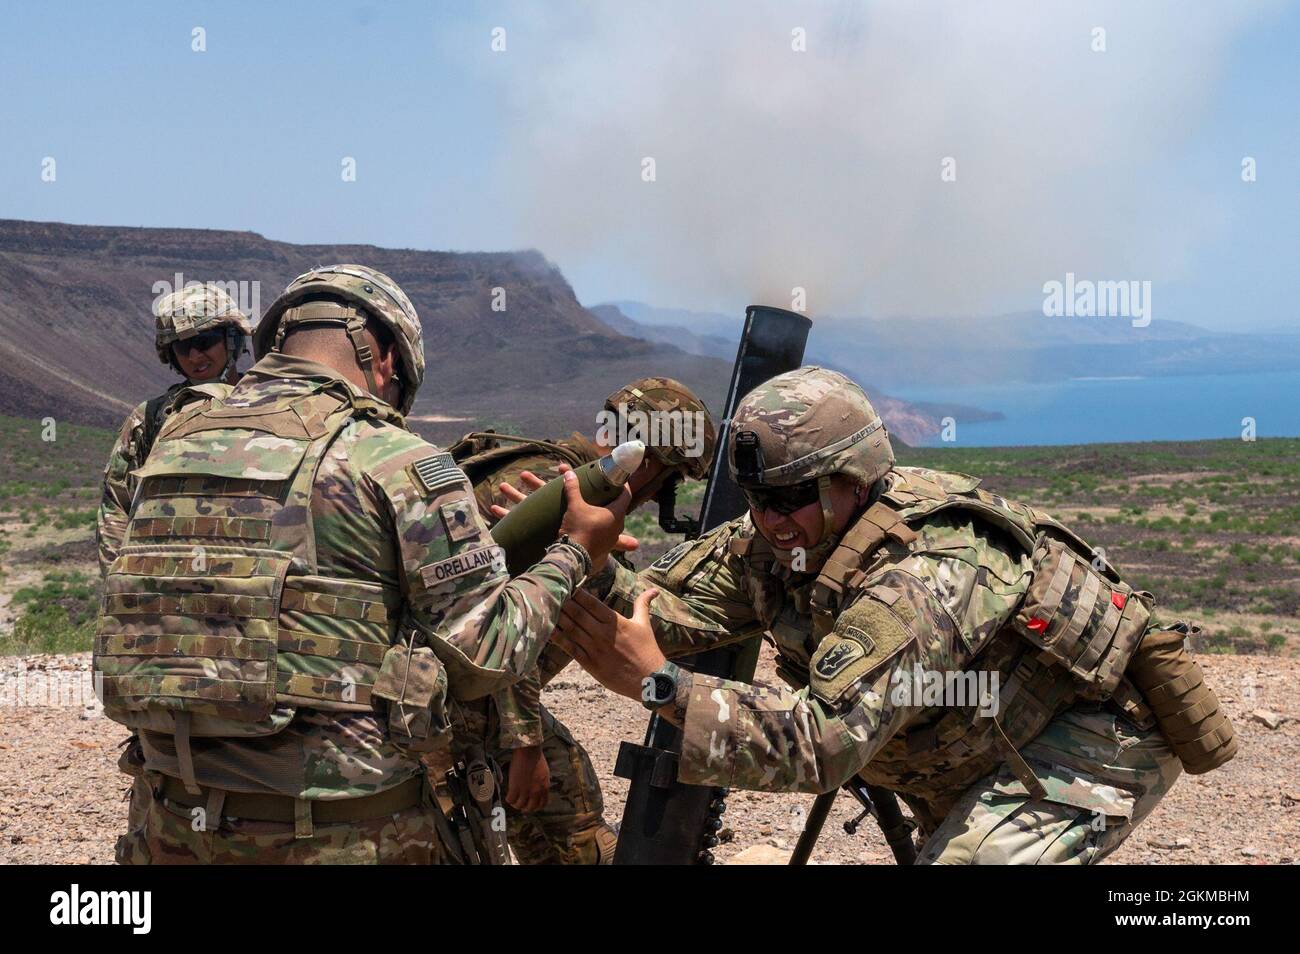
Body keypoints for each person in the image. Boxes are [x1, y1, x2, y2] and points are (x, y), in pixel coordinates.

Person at [558, 366, 1235, 864]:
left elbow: (821, 745)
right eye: (756, 496)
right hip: (970, 736)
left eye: (790, 496)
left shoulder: (925, 573)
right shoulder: (778, 539)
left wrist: (662, 687)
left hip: (1081, 739)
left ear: (851, 480)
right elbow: (668, 612)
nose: (769, 519)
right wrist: (578, 556)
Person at [96, 264, 627, 864]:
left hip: (166, 828)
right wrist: (575, 550)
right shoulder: (397, 460)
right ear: (382, 356)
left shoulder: (167, 444)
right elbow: (488, 656)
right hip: (336, 839)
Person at [450, 379, 716, 863]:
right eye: (668, 482)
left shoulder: (550, 474)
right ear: (649, 462)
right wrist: (525, 746)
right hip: (470, 699)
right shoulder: (560, 490)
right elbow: (501, 616)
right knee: (573, 825)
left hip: (463, 691)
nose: (659, 498)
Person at [96, 283, 252, 574]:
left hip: (246, 579)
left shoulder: (270, 404)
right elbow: (117, 504)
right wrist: (117, 582)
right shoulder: (152, 417)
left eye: (205, 341)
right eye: (182, 347)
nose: (194, 357)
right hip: (167, 581)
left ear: (232, 339)